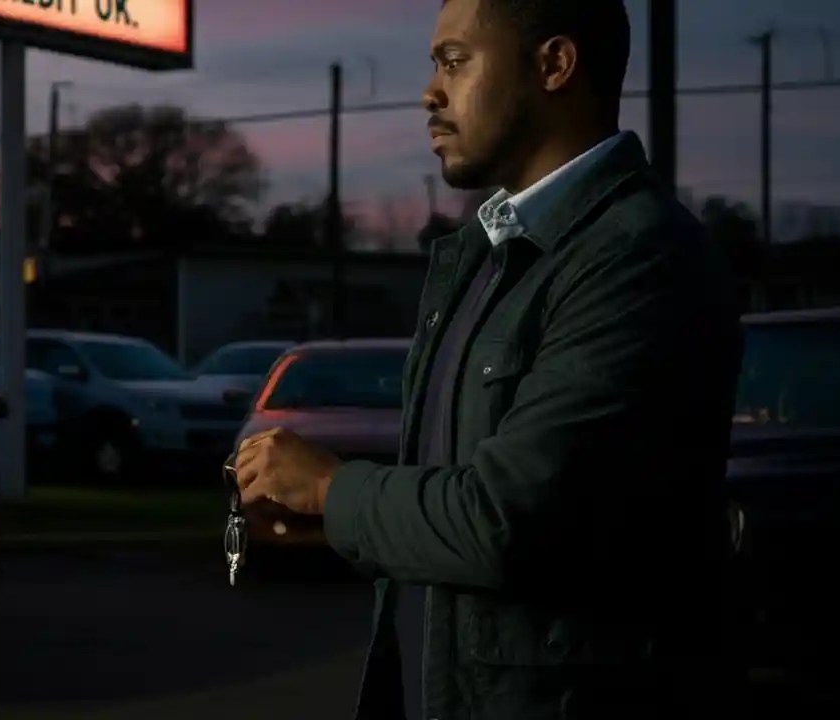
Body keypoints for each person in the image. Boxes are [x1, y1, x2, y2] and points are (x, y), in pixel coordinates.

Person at [231, 0, 744, 718]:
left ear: (555, 65)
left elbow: (511, 521)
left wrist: (328, 489)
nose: (429, 92)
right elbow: (443, 493)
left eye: (455, 60)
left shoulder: (635, 256)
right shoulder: (483, 256)